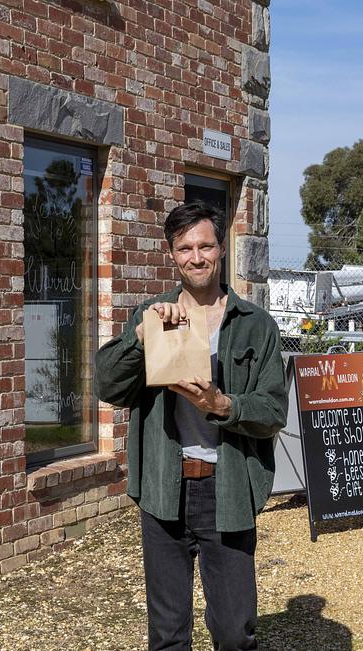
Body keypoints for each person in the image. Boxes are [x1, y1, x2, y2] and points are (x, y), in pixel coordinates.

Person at [94, 201, 288, 651]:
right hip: (163, 485)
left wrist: (223, 404)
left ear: (221, 249)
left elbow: (273, 410)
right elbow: (108, 385)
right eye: (185, 248)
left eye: (205, 246)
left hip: (227, 488)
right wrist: (139, 339)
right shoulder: (152, 315)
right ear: (172, 254)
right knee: (167, 633)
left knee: (235, 632)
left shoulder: (255, 325)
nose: (196, 257)